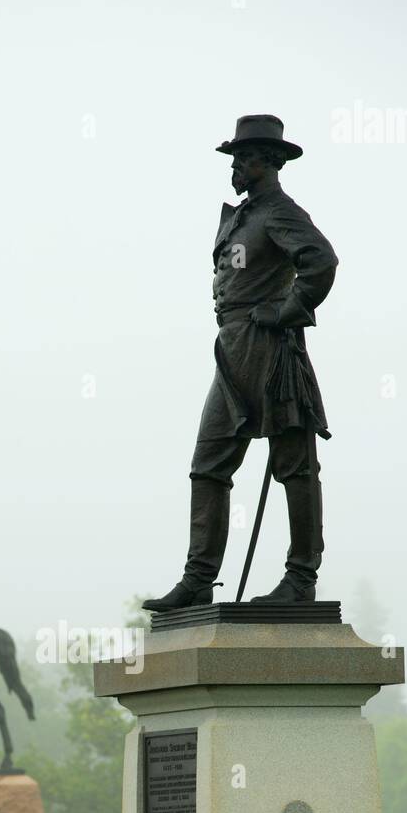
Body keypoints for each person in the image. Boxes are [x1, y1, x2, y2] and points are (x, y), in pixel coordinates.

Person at [144, 114, 338, 611]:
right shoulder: (241, 216)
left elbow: (321, 260)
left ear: (270, 163)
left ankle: (301, 578)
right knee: (208, 464)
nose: (236, 167)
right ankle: (199, 577)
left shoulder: (279, 212)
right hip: (230, 348)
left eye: (245, 158)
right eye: (234, 158)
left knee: (294, 462)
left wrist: (287, 310)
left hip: (270, 348)